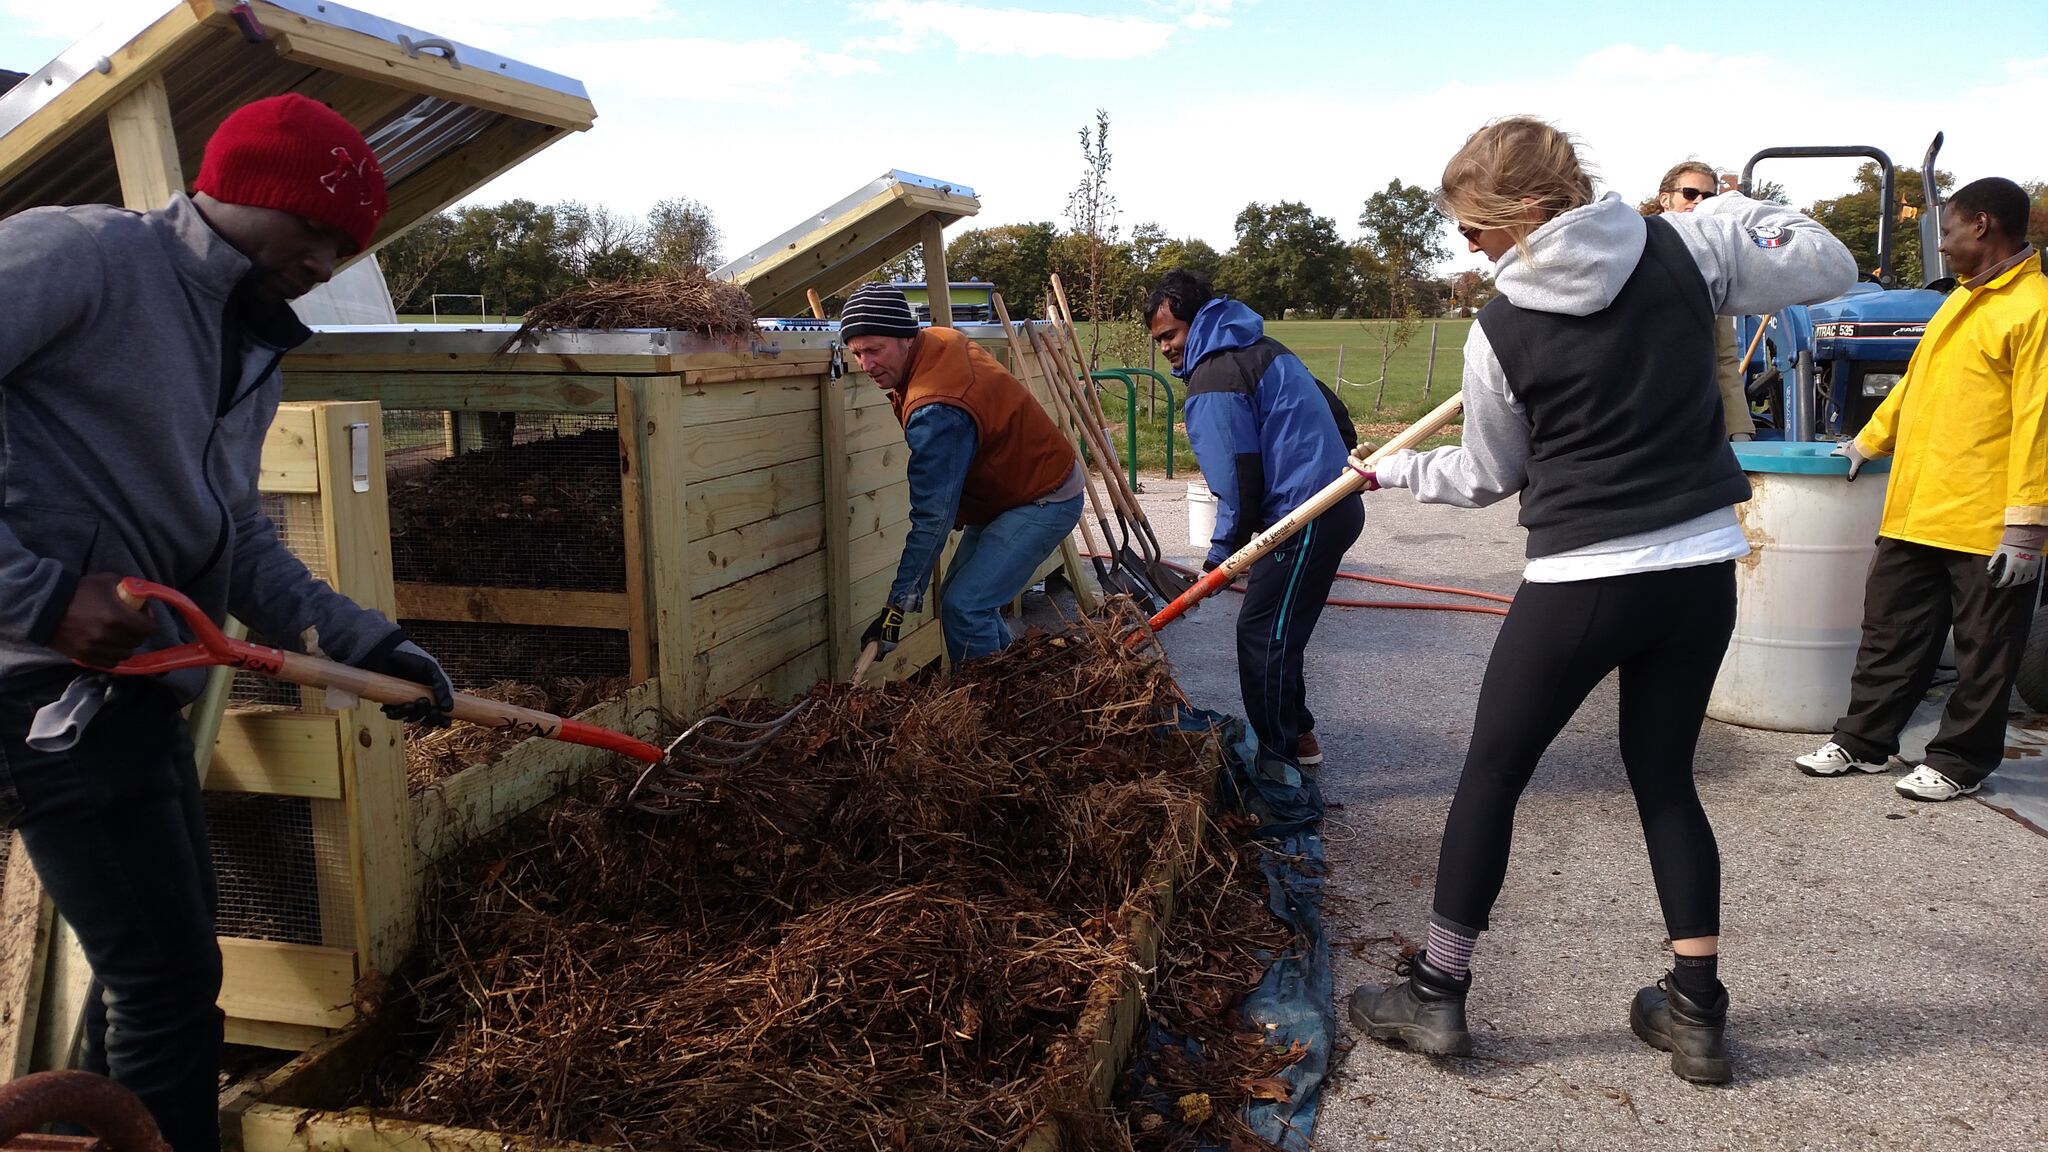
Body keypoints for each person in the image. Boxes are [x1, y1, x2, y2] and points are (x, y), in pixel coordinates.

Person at [1344, 117, 1853, 1083]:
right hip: (1700, 572)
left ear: (1529, 213)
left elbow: (1493, 474)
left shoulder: (1501, 330)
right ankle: (1695, 1011)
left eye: (1475, 228)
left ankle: (1438, 995)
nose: (1470, 246)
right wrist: (1738, 217)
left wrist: (1399, 475)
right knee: (1664, 780)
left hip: (1583, 581)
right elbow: (1824, 263)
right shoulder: (1685, 249)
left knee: (1492, 774)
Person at [0, 94, 455, 1152]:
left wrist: (364, 641)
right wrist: (34, 594)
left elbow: (235, 533)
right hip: (41, 687)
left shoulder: (245, 340)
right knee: (166, 989)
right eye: (317, 233)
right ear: (248, 194)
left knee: (160, 976)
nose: (328, 264)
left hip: (141, 687)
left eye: (348, 248)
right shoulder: (81, 258)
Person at [1798, 177, 2047, 802]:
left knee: (1984, 649)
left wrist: (2027, 525)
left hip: (1986, 518)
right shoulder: (1959, 303)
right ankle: (1864, 742)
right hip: (1916, 507)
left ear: (1983, 225)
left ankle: (1960, 760)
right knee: (1890, 631)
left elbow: (2040, 420)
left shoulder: (2034, 308)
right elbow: (1913, 388)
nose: (1946, 244)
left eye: (1949, 231)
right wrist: (1866, 442)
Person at [1144, 269, 1364, 773]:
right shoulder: (1265, 347)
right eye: (1157, 340)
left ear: (1197, 321)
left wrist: (1222, 557)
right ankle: (1299, 735)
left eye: (1170, 335)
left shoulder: (1215, 376)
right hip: (1332, 503)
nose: (1163, 348)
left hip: (1304, 517)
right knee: (1278, 630)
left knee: (1263, 634)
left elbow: (1238, 479)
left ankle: (1277, 762)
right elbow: (1337, 412)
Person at [840, 282, 1084, 667]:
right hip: (1008, 489)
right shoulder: (936, 340)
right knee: (960, 596)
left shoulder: (936, 408)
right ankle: (1018, 684)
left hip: (1042, 495)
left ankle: (993, 714)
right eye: (856, 353)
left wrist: (895, 610)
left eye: (874, 349)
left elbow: (933, 520)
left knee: (965, 608)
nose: (866, 365)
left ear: (906, 337)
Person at [1645, 160, 1756, 441]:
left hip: (1691, 424)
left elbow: (1725, 360)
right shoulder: (1634, 250)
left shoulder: (1714, 270)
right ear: (1665, 199)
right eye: (1690, 193)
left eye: (1708, 197)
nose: (1699, 202)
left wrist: (1739, 429)